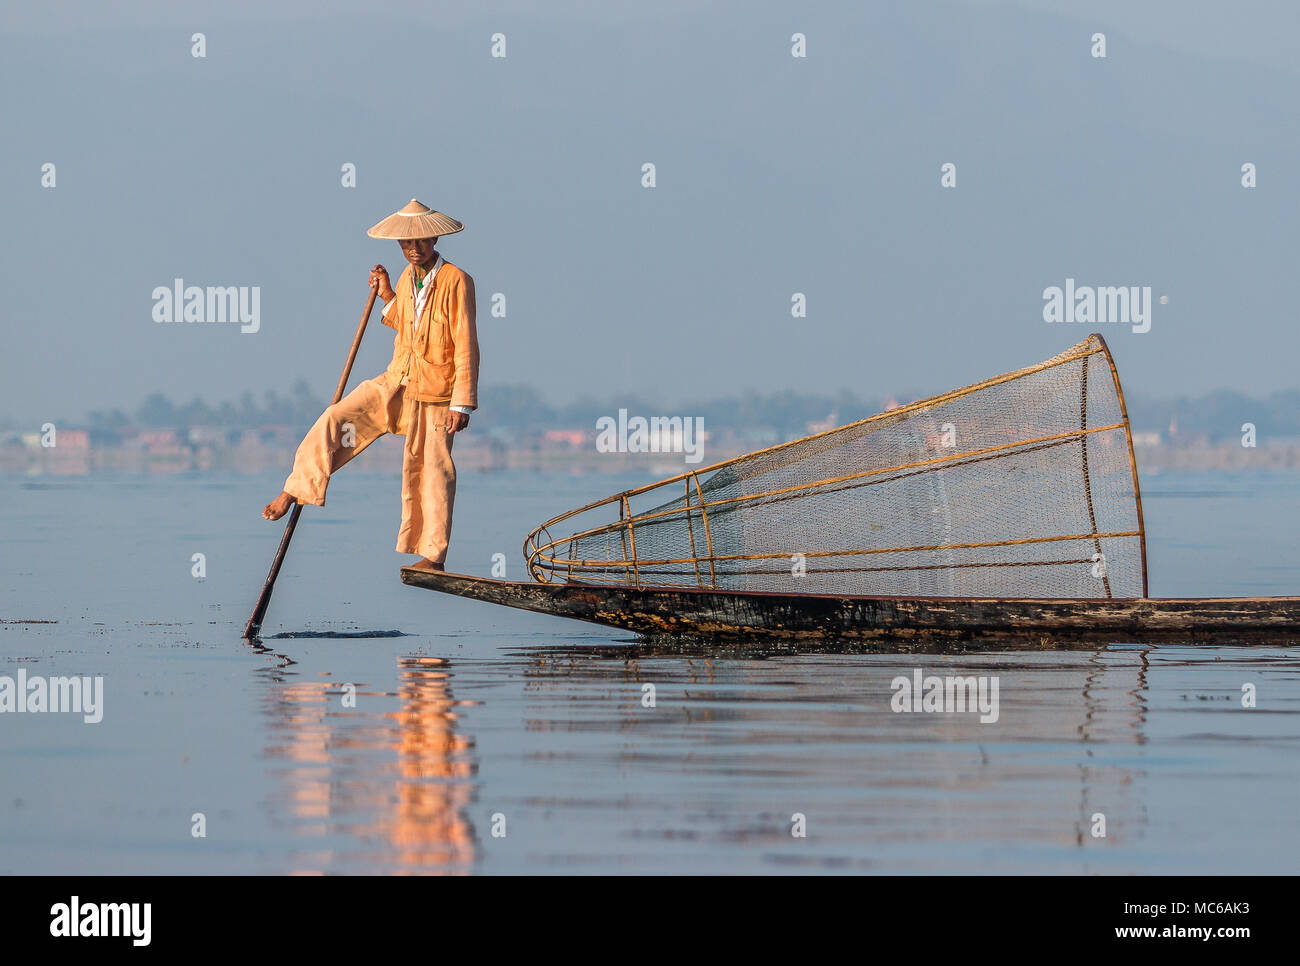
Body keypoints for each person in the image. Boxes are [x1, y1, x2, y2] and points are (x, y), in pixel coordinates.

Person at [262, 199, 479, 573]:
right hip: (396, 381)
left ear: (435, 237)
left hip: (438, 394)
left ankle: (433, 556)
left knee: (432, 469)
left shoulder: (456, 280)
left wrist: (462, 403)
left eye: (421, 241)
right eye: (407, 244)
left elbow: (465, 342)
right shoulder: (407, 278)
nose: (414, 249)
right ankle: (295, 487)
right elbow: (408, 325)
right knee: (335, 419)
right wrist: (386, 293)